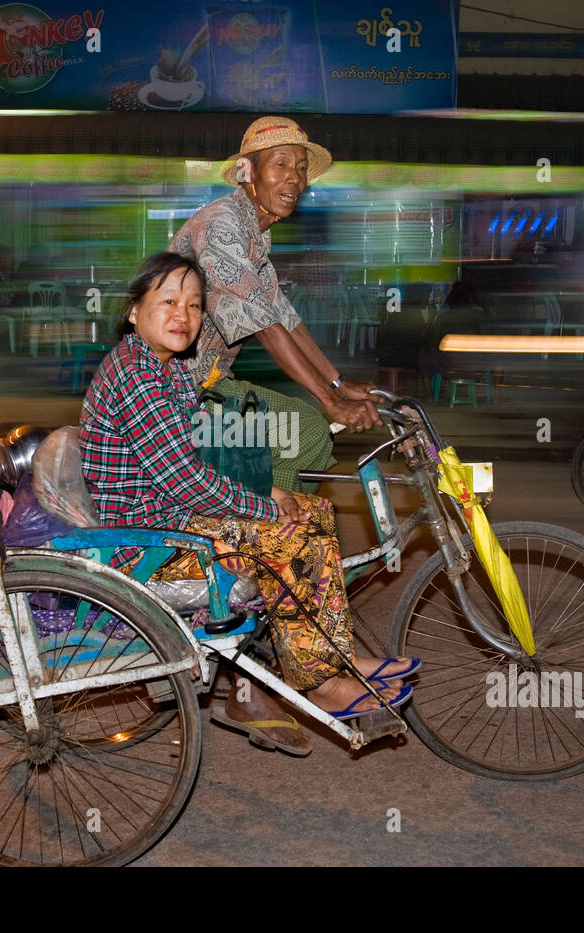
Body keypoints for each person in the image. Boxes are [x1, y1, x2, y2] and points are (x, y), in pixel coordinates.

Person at [78, 252, 419, 744]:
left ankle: (329, 658)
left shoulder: (167, 369)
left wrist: (271, 489)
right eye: (169, 301)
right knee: (292, 530)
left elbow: (197, 464)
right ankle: (322, 680)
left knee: (312, 511)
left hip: (171, 520)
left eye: (195, 306)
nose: (184, 316)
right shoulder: (137, 375)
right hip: (146, 543)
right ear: (134, 311)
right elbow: (185, 481)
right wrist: (265, 504)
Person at [170, 117, 385, 752]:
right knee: (303, 437)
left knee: (307, 434)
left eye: (299, 166)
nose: (292, 178)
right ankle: (260, 649)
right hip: (178, 402)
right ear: (248, 173)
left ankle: (278, 609)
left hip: (208, 390)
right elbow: (264, 331)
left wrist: (342, 385)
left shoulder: (255, 236)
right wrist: (328, 401)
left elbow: (284, 319)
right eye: (279, 164)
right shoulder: (224, 227)